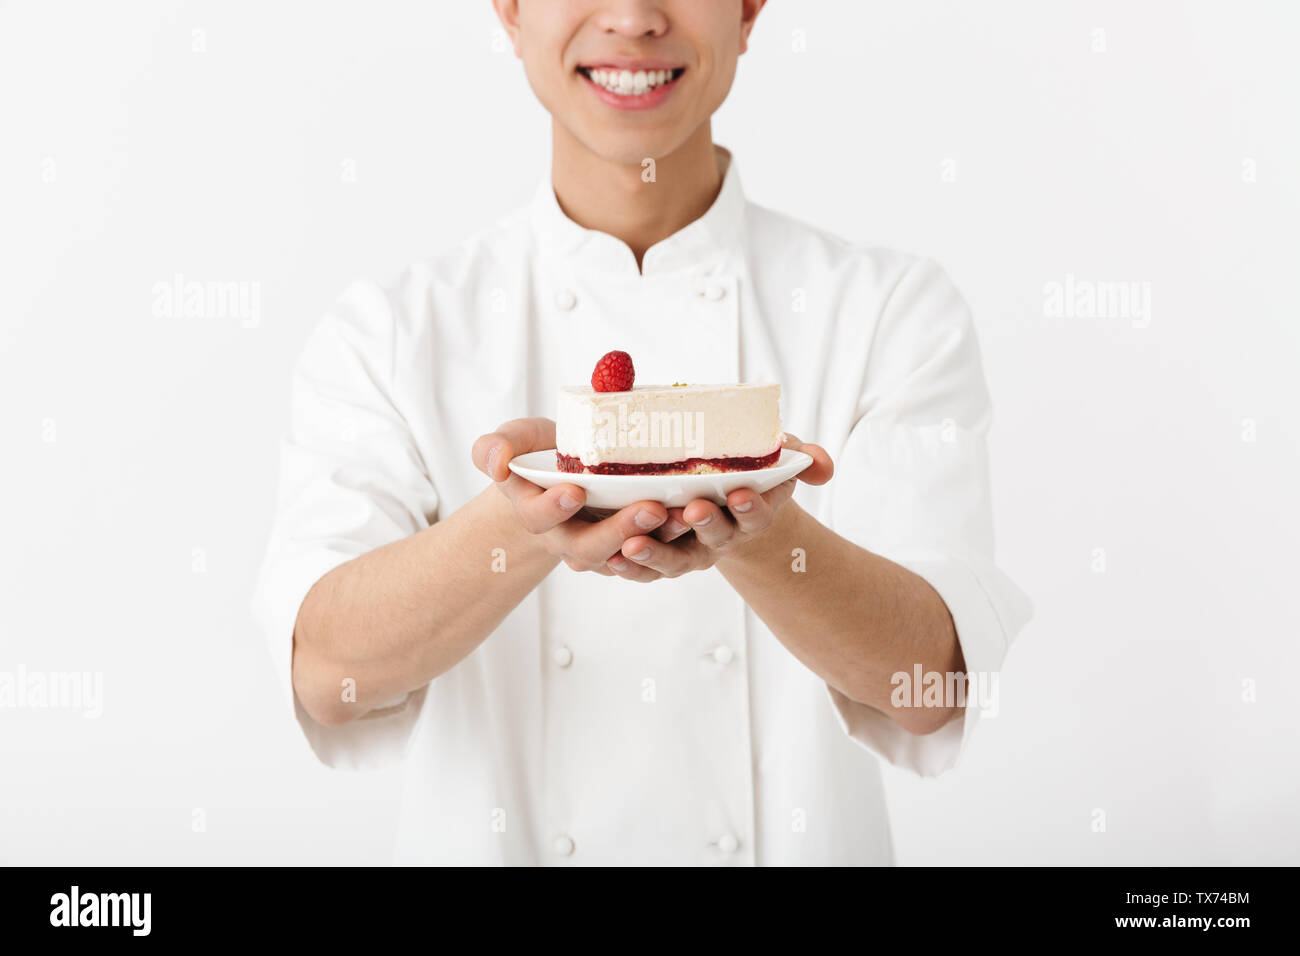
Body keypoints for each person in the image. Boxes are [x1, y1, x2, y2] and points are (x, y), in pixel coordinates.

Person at [253, 0, 1031, 865]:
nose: (631, 16)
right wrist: (523, 520)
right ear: (509, 12)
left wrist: (767, 537)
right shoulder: (393, 330)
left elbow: (927, 686)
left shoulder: (888, 313)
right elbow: (326, 675)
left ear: (748, 11)